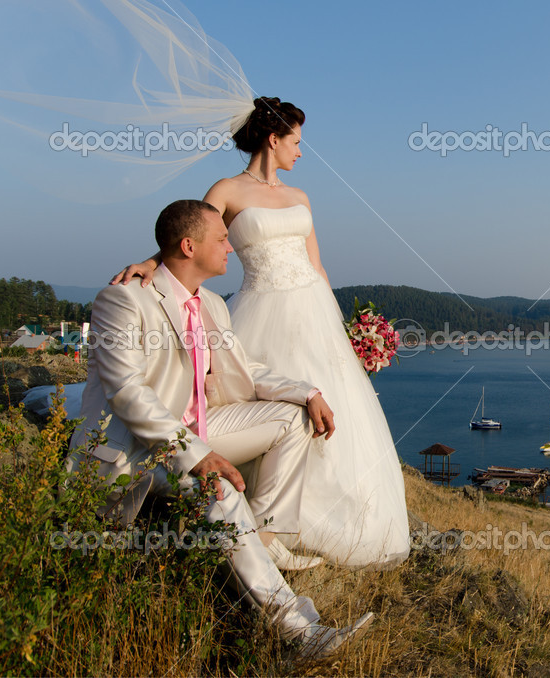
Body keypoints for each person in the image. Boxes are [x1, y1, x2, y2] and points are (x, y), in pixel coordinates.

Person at [112, 97, 410, 568]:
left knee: (332, 410)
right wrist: (150, 264)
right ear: (273, 138)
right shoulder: (227, 189)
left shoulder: (302, 197)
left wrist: (345, 330)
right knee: (260, 396)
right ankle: (251, 523)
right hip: (261, 307)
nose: (300, 151)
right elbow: (187, 238)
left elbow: (317, 265)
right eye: (296, 141)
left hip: (313, 309)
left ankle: (329, 525)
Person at [72, 199, 372, 657]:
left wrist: (307, 392)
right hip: (138, 450)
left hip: (198, 430)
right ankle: (297, 633)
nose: (232, 246)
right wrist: (197, 456)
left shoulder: (212, 303)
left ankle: (262, 541)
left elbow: (245, 371)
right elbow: (127, 393)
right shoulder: (123, 299)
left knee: (292, 418)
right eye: (221, 238)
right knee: (221, 491)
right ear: (189, 246)